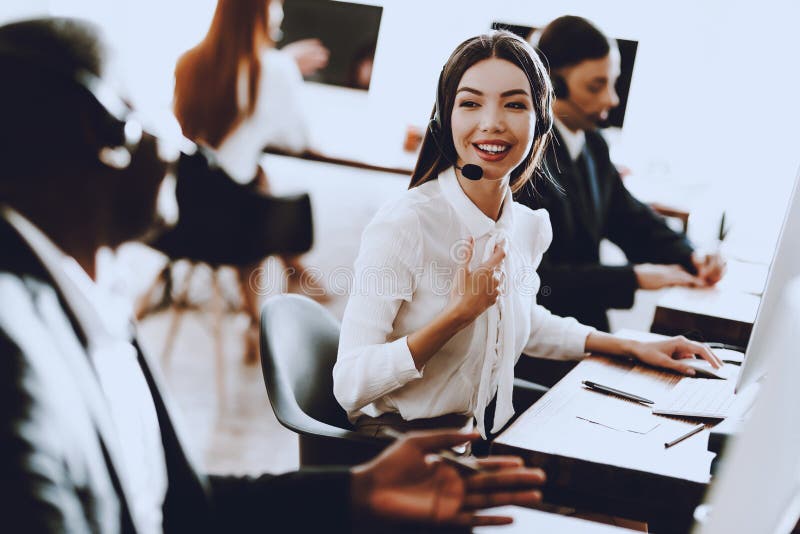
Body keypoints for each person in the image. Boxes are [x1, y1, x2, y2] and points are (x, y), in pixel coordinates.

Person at [0, 17, 554, 532]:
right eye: (142, 113)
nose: (179, 146)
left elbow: (168, 502)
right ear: (99, 133)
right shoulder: (14, 355)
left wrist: (353, 493)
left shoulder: (98, 308)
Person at [333, 31, 722, 443]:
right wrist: (458, 315)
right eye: (470, 103)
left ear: (541, 122)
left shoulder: (525, 223)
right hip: (400, 447)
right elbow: (350, 384)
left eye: (515, 104)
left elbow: (523, 321)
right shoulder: (406, 223)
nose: (492, 122)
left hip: (476, 434)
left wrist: (631, 346)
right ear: (444, 119)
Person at [514, 15, 725, 332]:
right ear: (552, 86)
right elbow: (538, 279)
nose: (611, 99)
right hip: (542, 336)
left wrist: (692, 256)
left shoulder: (593, 144)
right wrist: (634, 278)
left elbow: (630, 218)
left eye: (612, 83)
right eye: (595, 86)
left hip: (589, 329)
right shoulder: (523, 160)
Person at [172, 0, 329, 361]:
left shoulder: (189, 61)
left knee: (253, 181)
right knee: (256, 195)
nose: (282, 15)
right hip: (231, 231)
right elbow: (298, 140)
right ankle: (287, 280)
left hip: (179, 219)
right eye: (276, 6)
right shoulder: (274, 70)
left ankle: (257, 315)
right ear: (259, 12)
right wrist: (286, 66)